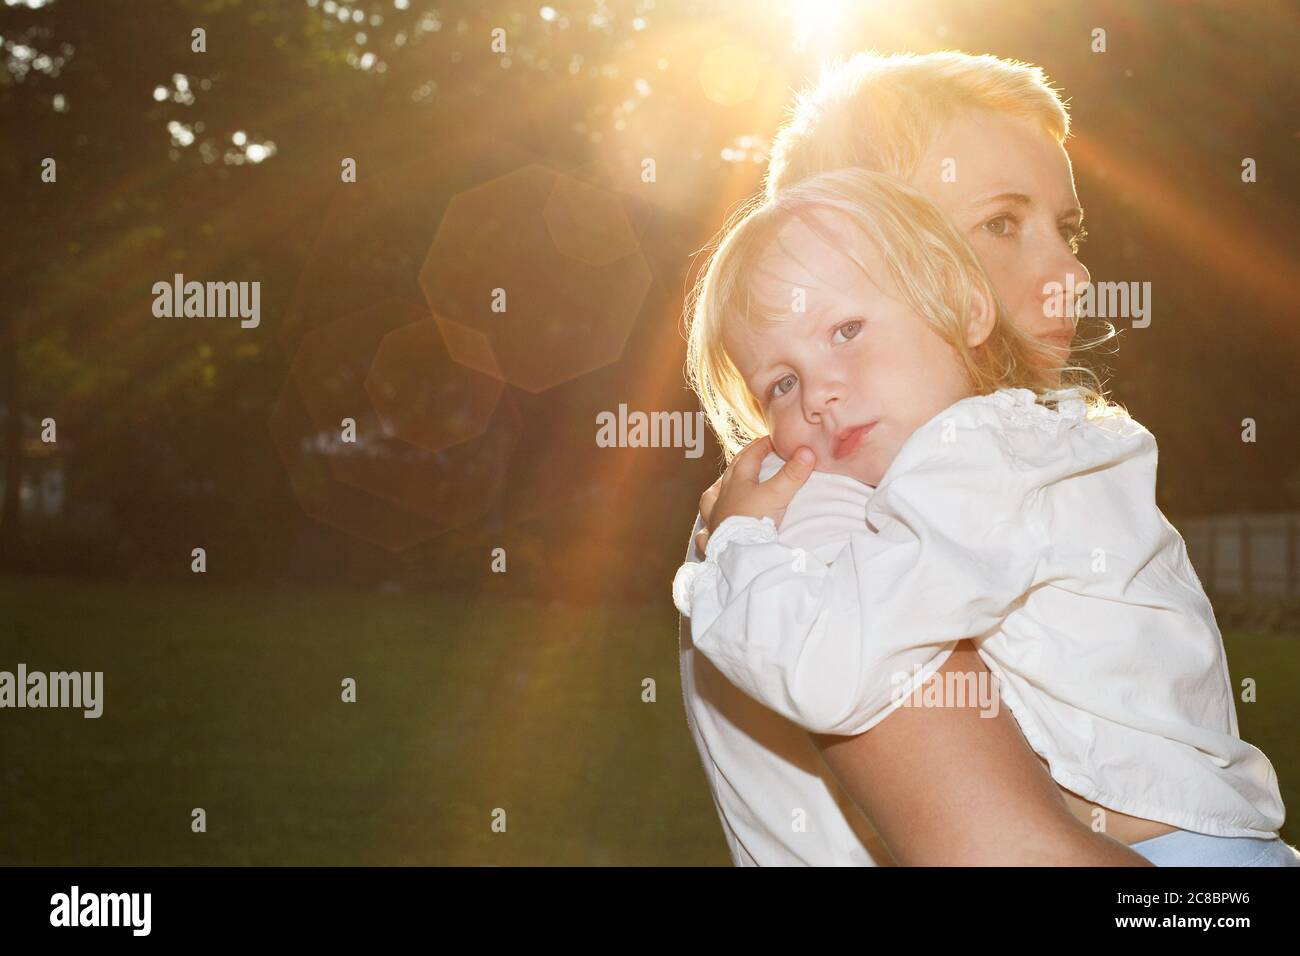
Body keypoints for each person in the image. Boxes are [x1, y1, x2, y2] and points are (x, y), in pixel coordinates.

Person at [673, 165, 1297, 867]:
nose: (819, 392)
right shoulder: (1023, 447)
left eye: (847, 330)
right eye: (780, 384)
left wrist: (737, 541)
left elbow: (827, 675)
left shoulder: (972, 459)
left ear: (966, 308)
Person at [677, 50, 1144, 866]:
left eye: (1064, 230)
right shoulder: (826, 521)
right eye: (1001, 222)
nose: (1071, 273)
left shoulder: (937, 473)